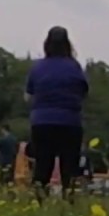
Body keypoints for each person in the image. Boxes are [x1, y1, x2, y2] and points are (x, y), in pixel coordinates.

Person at [24, 26, 89, 202]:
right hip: (69, 121)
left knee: (43, 166)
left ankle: (39, 204)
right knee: (69, 167)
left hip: (42, 122)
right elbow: (83, 92)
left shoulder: (38, 68)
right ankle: (69, 203)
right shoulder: (74, 67)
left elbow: (28, 95)